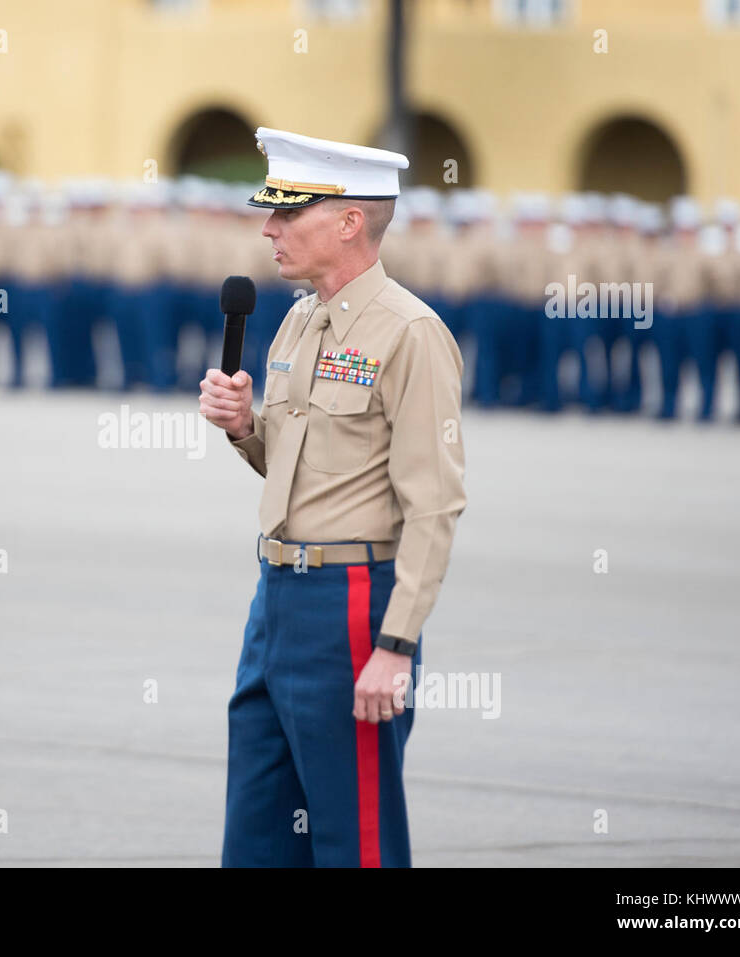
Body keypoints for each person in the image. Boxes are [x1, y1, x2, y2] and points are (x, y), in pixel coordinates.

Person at [199, 127, 467, 868]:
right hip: (277, 598)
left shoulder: (411, 333)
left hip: (354, 602)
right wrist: (245, 426)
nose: (268, 228)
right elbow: (298, 467)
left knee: (355, 837)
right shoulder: (297, 319)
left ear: (350, 222)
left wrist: (395, 644)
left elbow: (435, 504)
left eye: (288, 214)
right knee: (256, 834)